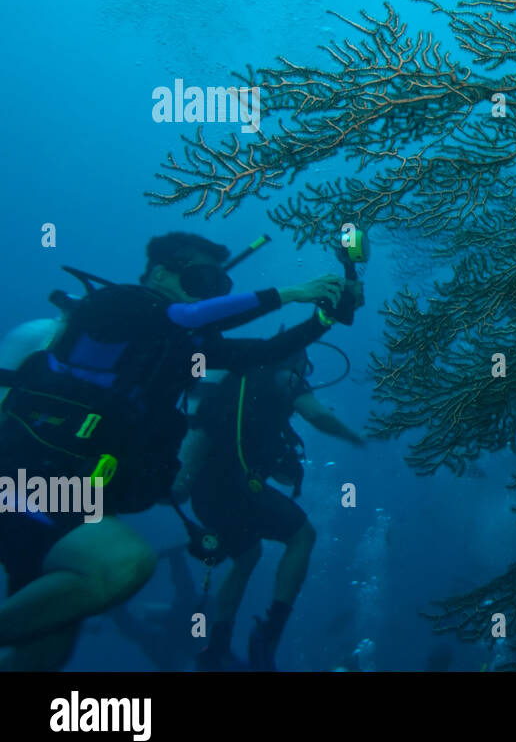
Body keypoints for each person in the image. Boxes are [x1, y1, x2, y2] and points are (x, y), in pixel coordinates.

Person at [0, 232, 346, 670]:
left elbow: (266, 351)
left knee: (45, 645)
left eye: (217, 285)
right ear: (160, 272)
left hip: (76, 497)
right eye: (199, 277)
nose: (207, 290)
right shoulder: (114, 305)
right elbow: (183, 315)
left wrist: (327, 315)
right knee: (124, 563)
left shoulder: (178, 347)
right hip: (26, 480)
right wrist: (292, 293)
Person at [179, 347, 366, 671]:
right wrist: (353, 436)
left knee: (248, 555)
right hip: (233, 488)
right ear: (296, 361)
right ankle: (269, 635)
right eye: (304, 366)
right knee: (302, 535)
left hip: (204, 494)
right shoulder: (287, 379)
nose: (305, 373)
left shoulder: (242, 382)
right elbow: (316, 415)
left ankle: (217, 648)